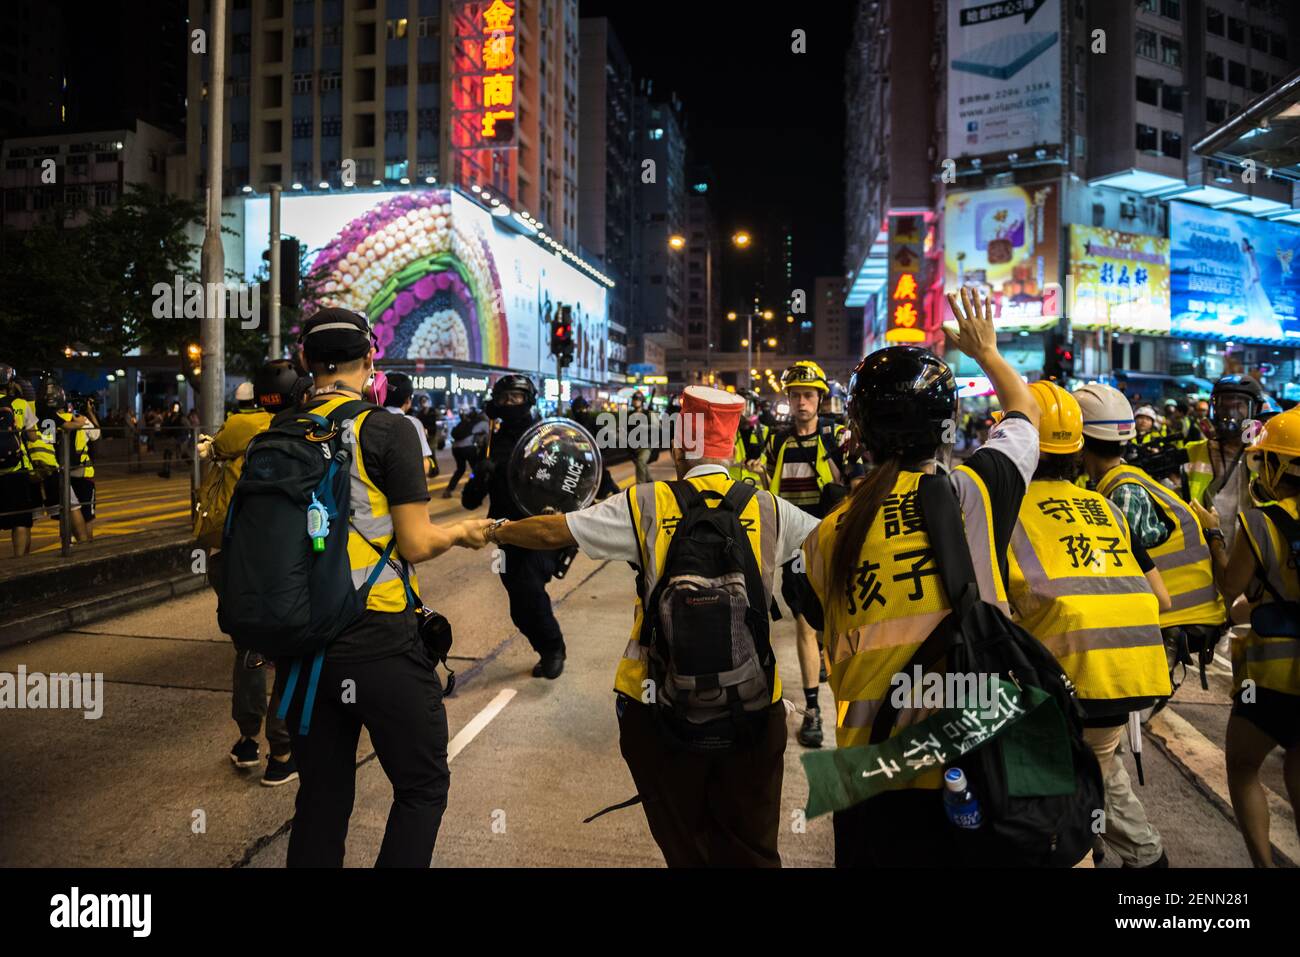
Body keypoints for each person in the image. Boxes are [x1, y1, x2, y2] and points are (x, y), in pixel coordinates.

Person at [487, 385, 822, 866]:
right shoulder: (771, 508)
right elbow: (832, 549)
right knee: (751, 848)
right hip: (753, 708)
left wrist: (492, 531)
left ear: (681, 445)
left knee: (686, 845)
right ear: (729, 449)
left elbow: (551, 529)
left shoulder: (644, 504)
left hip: (658, 707)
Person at [799, 287, 1040, 867]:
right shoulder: (975, 492)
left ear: (857, 433)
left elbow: (831, 643)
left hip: (869, 781)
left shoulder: (826, 536)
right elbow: (1025, 417)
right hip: (977, 771)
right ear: (947, 426)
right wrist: (987, 352)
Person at [271, 308, 490, 867]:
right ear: (370, 360)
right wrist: (463, 532)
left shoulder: (280, 431)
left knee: (320, 798)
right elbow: (415, 544)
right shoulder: (387, 429)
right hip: (378, 643)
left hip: (303, 650)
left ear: (304, 361)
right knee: (421, 787)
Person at [1005, 381, 1173, 868]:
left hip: (1070, 683)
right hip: (1132, 678)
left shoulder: (1006, 508)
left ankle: (1117, 854)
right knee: (1099, 772)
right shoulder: (1106, 506)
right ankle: (1136, 857)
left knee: (1054, 795)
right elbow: (1158, 597)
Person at [1192, 407, 1300, 867]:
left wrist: (1214, 534)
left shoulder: (1264, 521)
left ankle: (1264, 865)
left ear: (1277, 465)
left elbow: (1230, 584)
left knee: (1241, 765)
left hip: (1271, 675)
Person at [1076, 382, 1227, 703]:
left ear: (1080, 442)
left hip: (1172, 621)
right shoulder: (1120, 480)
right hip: (1174, 616)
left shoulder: (1122, 493)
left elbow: (1118, 571)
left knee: (1119, 707)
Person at [750, 359, 863, 748]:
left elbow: (860, 486)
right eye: (796, 395)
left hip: (832, 543)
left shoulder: (838, 440)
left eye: (808, 395)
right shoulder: (776, 441)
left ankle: (842, 690)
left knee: (835, 623)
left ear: (820, 399)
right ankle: (814, 710)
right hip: (794, 546)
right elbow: (764, 482)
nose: (802, 402)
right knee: (804, 624)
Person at [205, 372, 303, 786]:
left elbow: (212, 452)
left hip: (231, 554)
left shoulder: (238, 428)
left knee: (248, 647)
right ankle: (281, 752)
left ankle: (248, 739)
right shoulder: (309, 433)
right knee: (290, 652)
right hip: (286, 559)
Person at [462, 374, 568, 679]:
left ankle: (553, 649)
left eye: (516, 398)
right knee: (520, 608)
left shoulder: (548, 436)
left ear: (529, 400)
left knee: (528, 588)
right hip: (506, 534)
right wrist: (480, 475)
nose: (510, 404)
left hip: (543, 528)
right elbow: (470, 502)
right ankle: (547, 644)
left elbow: (576, 477)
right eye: (504, 399)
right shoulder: (489, 443)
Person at [0, 367, 39, 557]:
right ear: (10, 383)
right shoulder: (21, 404)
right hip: (17, 469)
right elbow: (33, 437)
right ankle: (19, 561)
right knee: (21, 520)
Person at [382, 372, 436, 478]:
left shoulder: (368, 419)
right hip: (404, 489)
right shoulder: (414, 423)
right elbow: (424, 466)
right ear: (408, 399)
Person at [443, 405, 489, 497]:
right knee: (476, 470)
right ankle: (475, 489)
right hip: (468, 448)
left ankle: (448, 490)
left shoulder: (466, 422)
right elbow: (489, 437)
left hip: (455, 449)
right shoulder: (483, 423)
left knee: (460, 469)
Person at [729, 390, 769, 487]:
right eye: (741, 408)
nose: (744, 412)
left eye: (748, 407)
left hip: (759, 494)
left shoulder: (766, 431)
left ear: (756, 408)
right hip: (732, 494)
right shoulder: (728, 431)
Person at [628, 391, 652, 483]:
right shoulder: (630, 414)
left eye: (638, 400)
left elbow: (657, 427)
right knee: (641, 465)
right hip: (633, 445)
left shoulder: (647, 413)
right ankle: (650, 481)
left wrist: (645, 427)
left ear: (642, 401)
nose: (636, 402)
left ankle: (640, 486)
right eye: (634, 400)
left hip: (646, 444)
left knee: (641, 462)